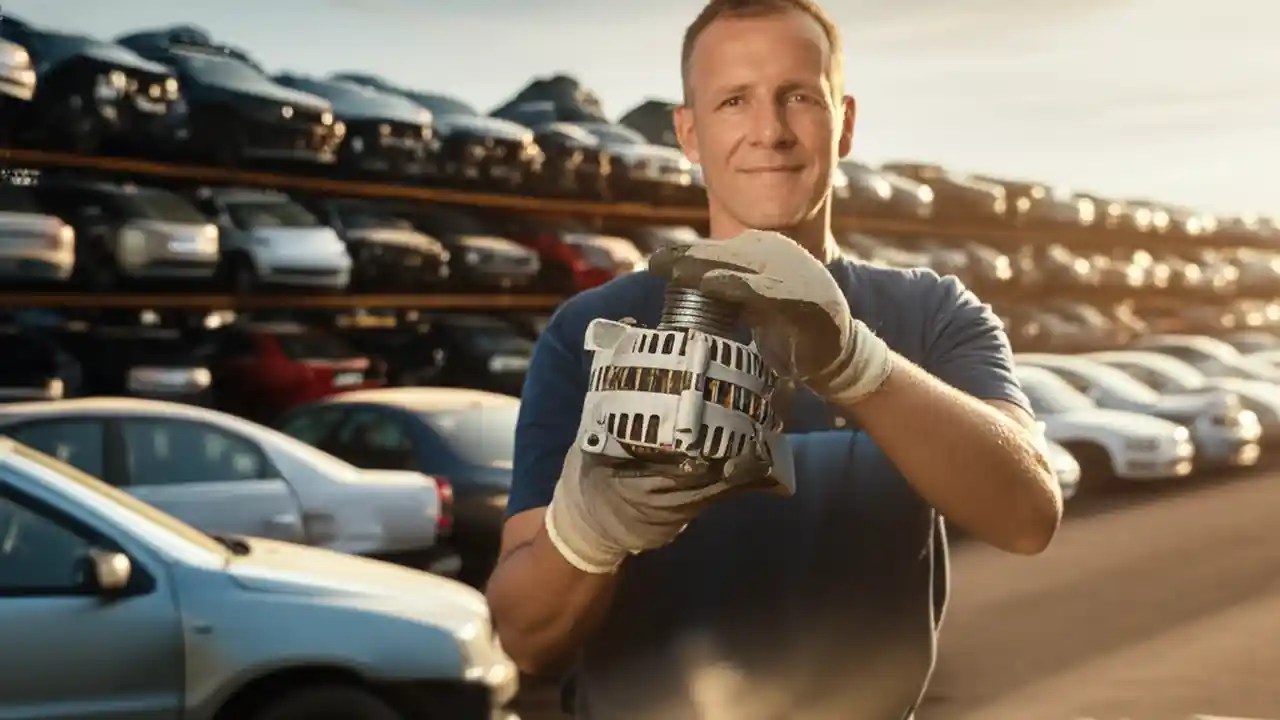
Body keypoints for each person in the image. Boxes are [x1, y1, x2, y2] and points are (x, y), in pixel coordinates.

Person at [485, 1, 1063, 718]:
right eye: (734, 101)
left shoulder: (934, 314)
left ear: (843, 123)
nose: (770, 131)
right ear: (690, 134)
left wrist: (856, 362)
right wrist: (586, 533)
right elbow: (525, 639)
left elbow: (1029, 515)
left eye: (799, 96)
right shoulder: (589, 329)